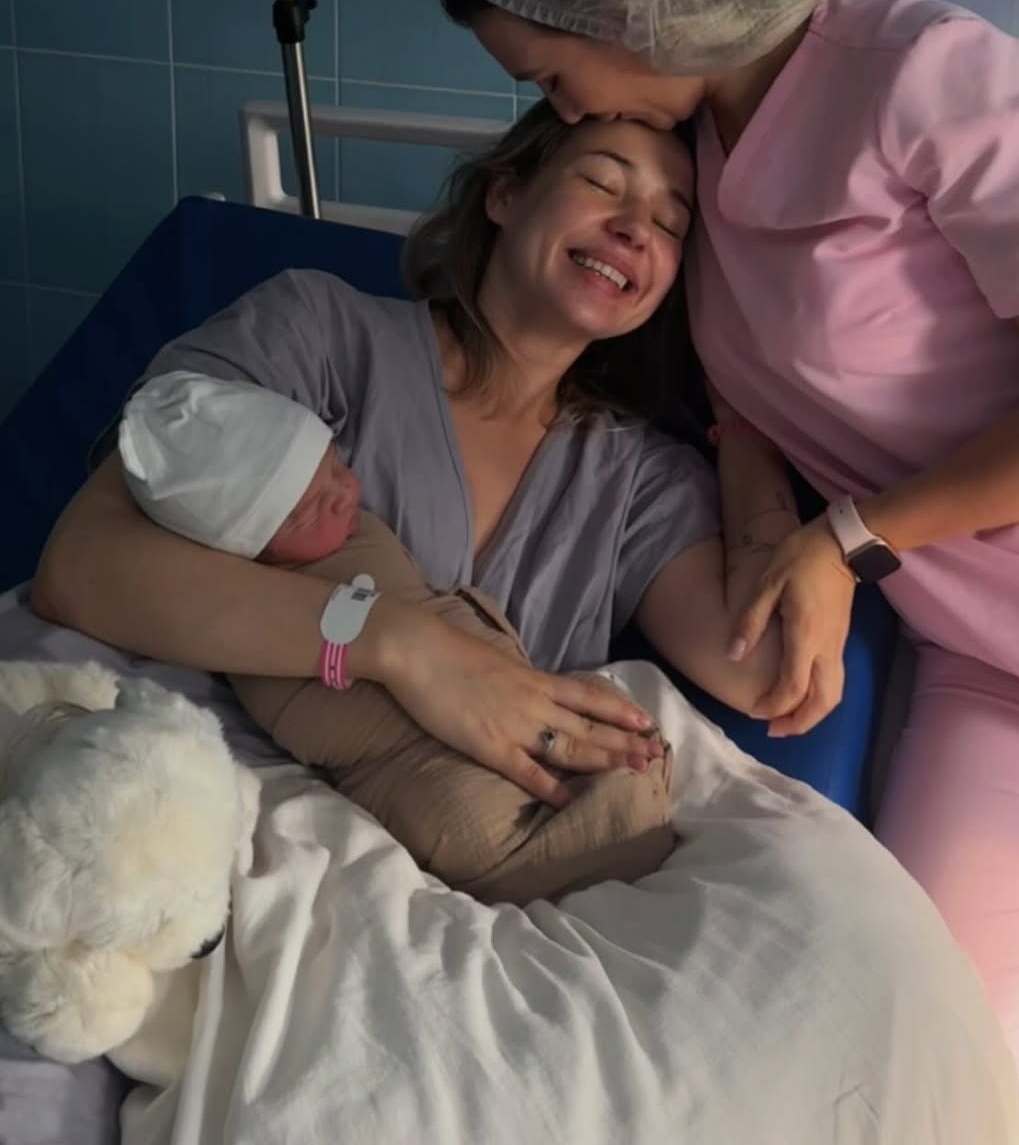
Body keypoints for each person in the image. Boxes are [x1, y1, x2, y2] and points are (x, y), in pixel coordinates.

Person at [439, 0, 1019, 1145]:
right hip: (992, 659)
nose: (562, 110)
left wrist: (850, 541)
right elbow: (748, 395)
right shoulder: (693, 167)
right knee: (935, 1051)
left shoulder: (920, 77)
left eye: (551, 73)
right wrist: (765, 520)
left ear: (623, 10)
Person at [32, 108, 782, 832]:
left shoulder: (639, 481)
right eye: (602, 183)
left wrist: (743, 414)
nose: (634, 228)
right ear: (505, 194)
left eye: (670, 224)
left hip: (426, 852)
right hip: (166, 782)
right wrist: (403, 647)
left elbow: (766, 671)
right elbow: (81, 570)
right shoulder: (319, 334)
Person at [117, 369, 675, 905]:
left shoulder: (352, 531)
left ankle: (618, 805)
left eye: (336, 465)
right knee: (474, 819)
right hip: (419, 773)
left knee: (606, 710)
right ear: (245, 547)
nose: (348, 490)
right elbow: (308, 717)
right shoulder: (253, 631)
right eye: (312, 505)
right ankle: (597, 836)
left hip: (500, 691)